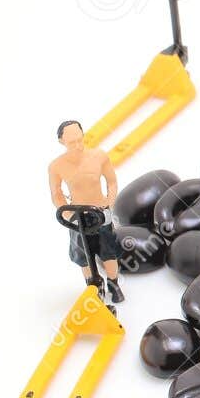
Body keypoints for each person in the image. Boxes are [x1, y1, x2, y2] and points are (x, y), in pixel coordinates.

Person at [47, 119, 124, 304]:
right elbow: (56, 193)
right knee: (82, 254)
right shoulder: (56, 166)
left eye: (80, 140)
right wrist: (67, 215)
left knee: (109, 251)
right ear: (61, 142)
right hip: (77, 217)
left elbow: (111, 182)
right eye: (72, 142)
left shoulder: (99, 156)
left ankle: (114, 284)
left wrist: (108, 202)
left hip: (100, 212)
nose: (78, 146)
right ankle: (93, 286)